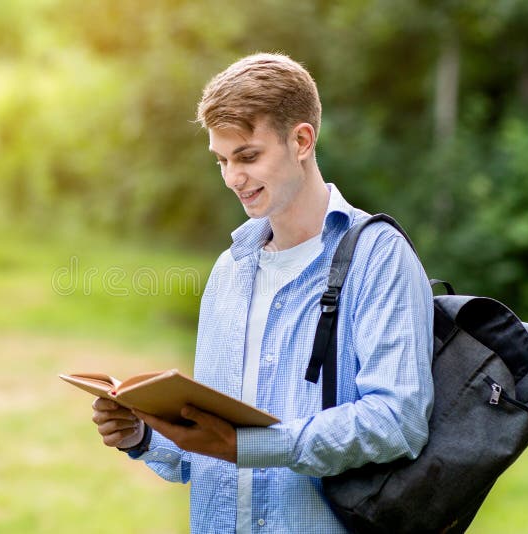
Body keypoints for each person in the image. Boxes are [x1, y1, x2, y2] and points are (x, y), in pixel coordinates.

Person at [91, 53, 434, 533]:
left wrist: (246, 444)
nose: (233, 178)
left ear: (301, 140)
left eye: (248, 156)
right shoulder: (230, 270)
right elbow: (209, 451)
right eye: (222, 160)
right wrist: (142, 436)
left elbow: (398, 420)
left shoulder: (378, 257)